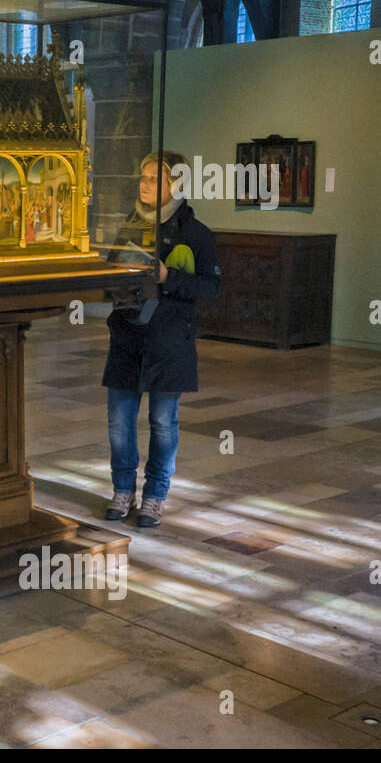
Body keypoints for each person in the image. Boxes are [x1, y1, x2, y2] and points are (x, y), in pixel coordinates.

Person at [101, 150, 221, 527]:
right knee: (119, 420)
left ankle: (154, 495)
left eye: (156, 178)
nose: (145, 184)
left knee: (162, 421)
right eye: (144, 177)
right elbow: (113, 271)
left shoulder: (196, 233)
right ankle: (123, 489)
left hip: (170, 339)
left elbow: (211, 285)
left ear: (177, 184)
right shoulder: (130, 226)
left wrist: (170, 278)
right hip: (127, 335)